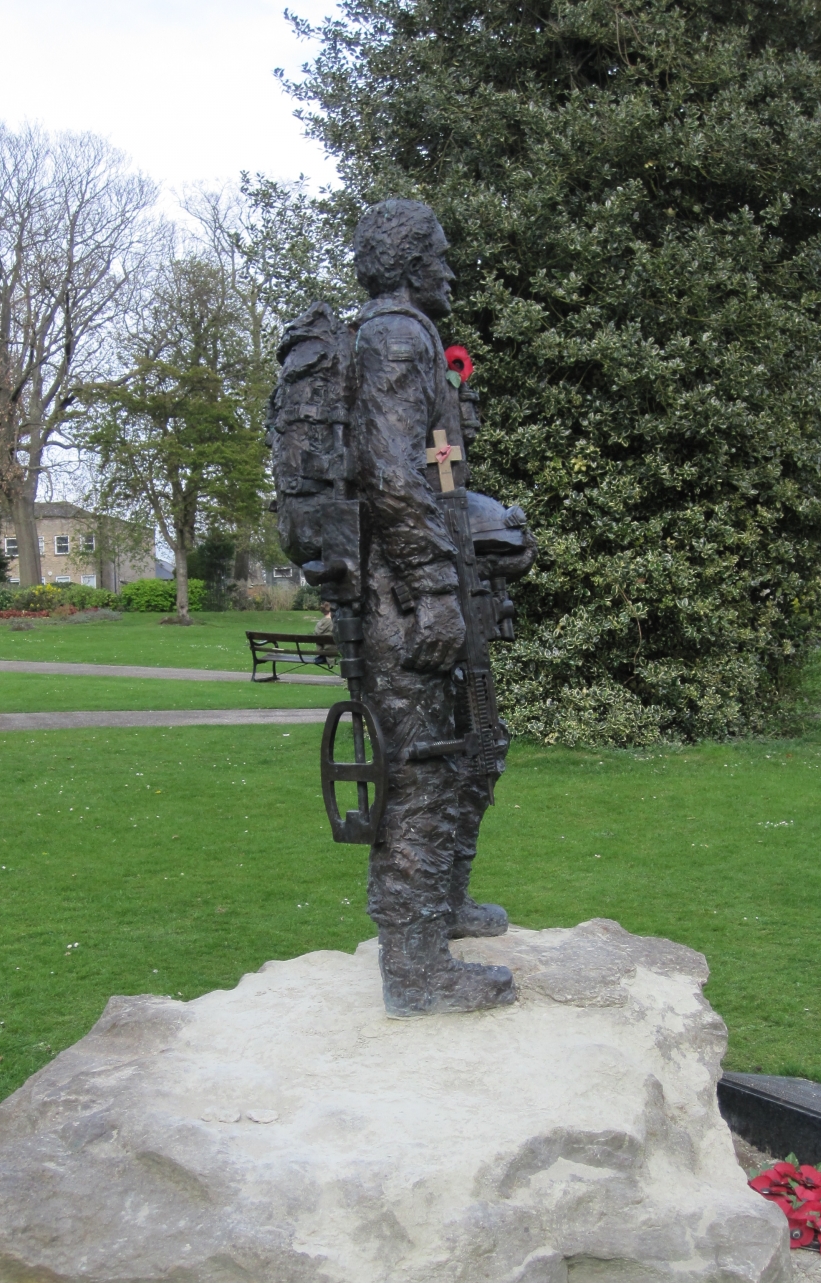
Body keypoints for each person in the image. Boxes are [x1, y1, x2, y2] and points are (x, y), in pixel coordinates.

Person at [351, 199, 535, 1015]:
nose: (452, 269)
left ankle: (441, 908)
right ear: (407, 259)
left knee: (476, 749)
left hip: (437, 586)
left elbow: (436, 476)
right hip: (409, 600)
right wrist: (432, 590)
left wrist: (486, 525)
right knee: (422, 774)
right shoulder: (394, 337)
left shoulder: (412, 338)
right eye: (441, 254)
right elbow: (392, 478)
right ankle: (415, 972)